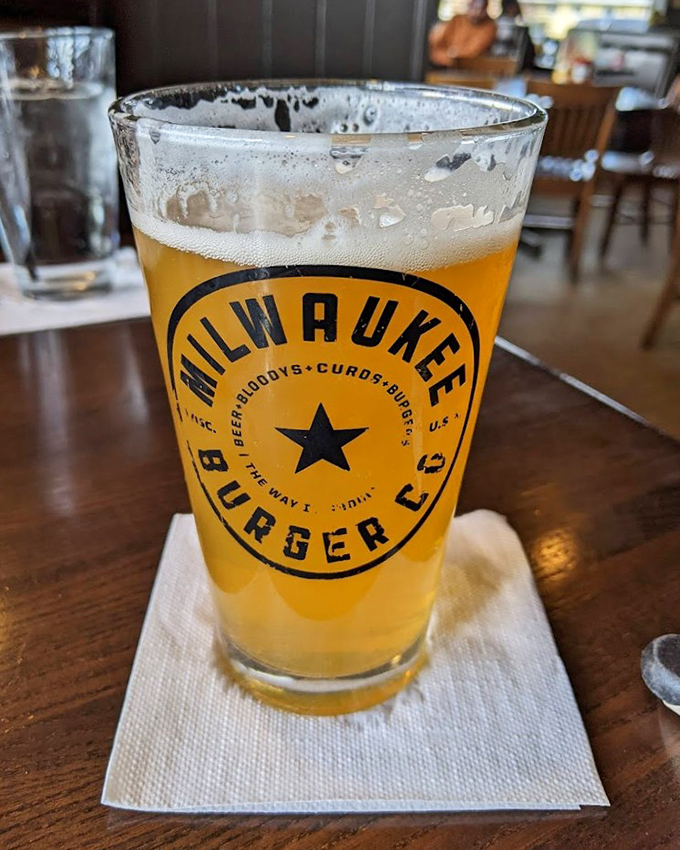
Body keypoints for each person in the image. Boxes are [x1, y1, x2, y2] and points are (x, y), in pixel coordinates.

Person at [428, 0, 497, 67]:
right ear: (469, 7)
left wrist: (453, 54)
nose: (477, 12)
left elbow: (472, 52)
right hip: (442, 64)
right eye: (474, 7)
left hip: (469, 68)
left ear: (486, 10)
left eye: (481, 9)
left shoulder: (490, 26)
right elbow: (437, 45)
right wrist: (448, 55)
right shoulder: (457, 20)